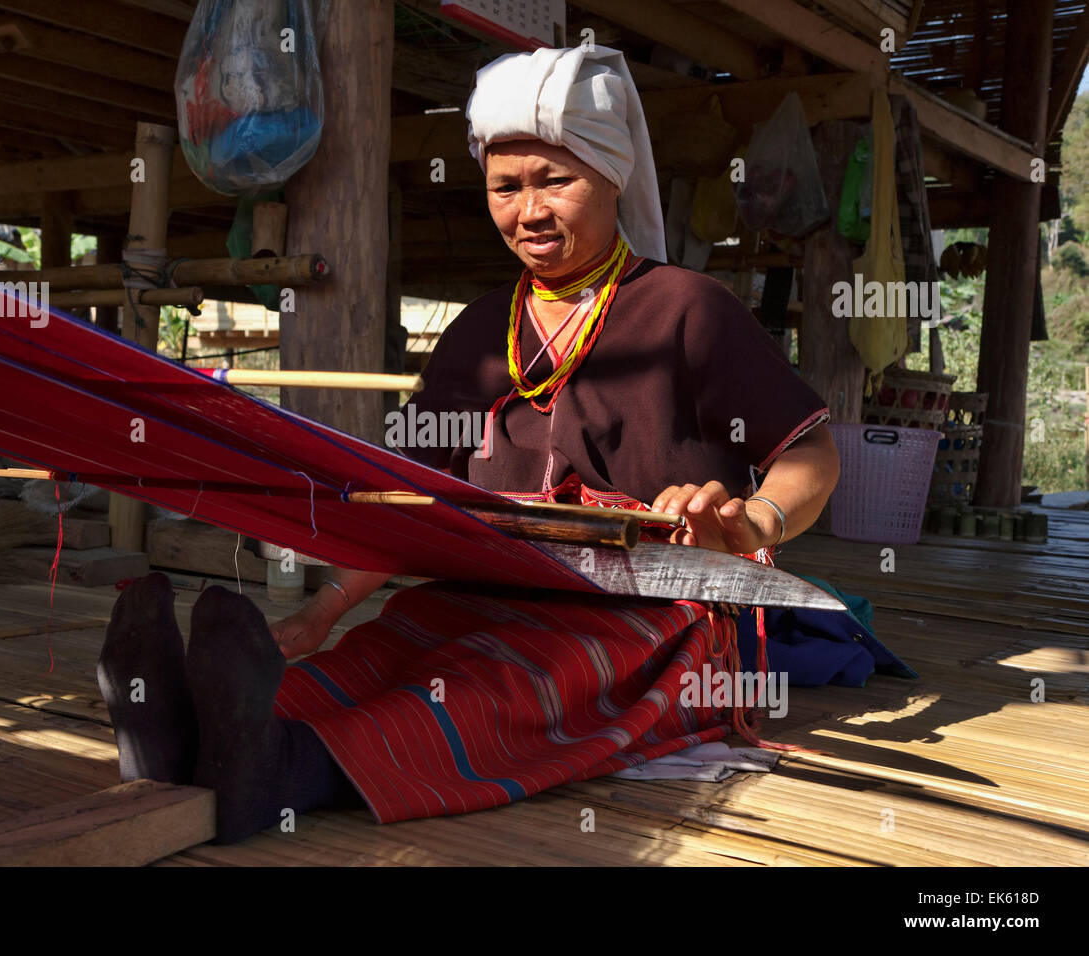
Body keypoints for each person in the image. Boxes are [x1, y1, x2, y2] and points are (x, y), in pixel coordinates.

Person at [97, 46, 840, 844]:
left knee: (501, 684)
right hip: (491, 585)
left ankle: (282, 770)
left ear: (613, 174)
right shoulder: (481, 332)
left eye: (557, 180)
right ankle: (184, 733)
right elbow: (414, 490)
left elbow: (812, 452)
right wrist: (324, 610)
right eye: (506, 187)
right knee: (379, 654)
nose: (530, 212)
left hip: (654, 613)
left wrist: (752, 523)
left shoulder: (690, 309)